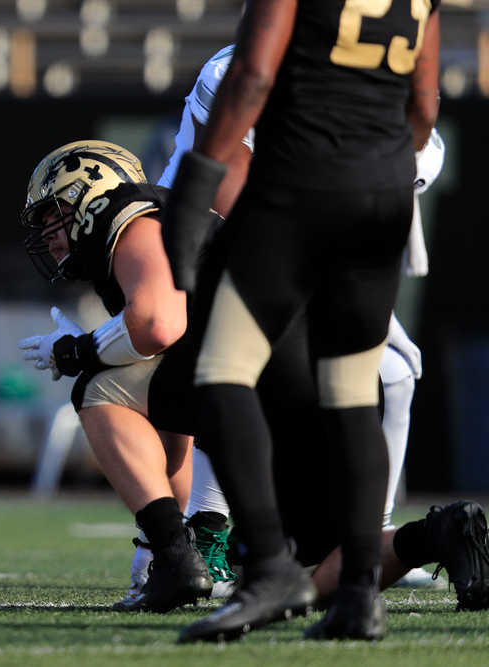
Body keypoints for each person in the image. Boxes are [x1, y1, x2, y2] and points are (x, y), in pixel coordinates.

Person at [113, 44, 450, 608]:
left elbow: (395, 181)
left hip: (304, 247)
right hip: (210, 239)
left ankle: (367, 538)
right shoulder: (233, 71)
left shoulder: (368, 94)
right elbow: (228, 187)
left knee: (393, 370)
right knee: (234, 368)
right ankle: (203, 531)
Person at [16, 140, 213, 612]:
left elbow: (157, 325)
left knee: (100, 388)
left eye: (53, 213)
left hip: (272, 369)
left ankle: (180, 555)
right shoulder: (159, 220)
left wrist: (78, 352)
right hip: (284, 361)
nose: (47, 232)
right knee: (162, 401)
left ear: (92, 193)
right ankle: (182, 554)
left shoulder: (129, 216)